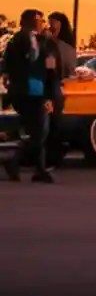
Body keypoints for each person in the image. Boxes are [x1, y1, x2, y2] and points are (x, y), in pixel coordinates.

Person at [2, 10, 55, 183]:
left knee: (39, 132)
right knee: (39, 132)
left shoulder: (43, 42)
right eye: (39, 20)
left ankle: (37, 169)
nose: (42, 23)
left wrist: (49, 95)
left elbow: (50, 70)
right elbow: (8, 67)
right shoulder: (18, 42)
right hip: (26, 93)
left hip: (38, 92)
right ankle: (17, 162)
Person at [44, 12, 77, 168]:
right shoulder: (50, 44)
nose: (50, 26)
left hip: (56, 86)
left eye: (54, 23)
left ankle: (52, 157)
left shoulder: (60, 47)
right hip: (55, 86)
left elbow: (66, 69)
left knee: (52, 124)